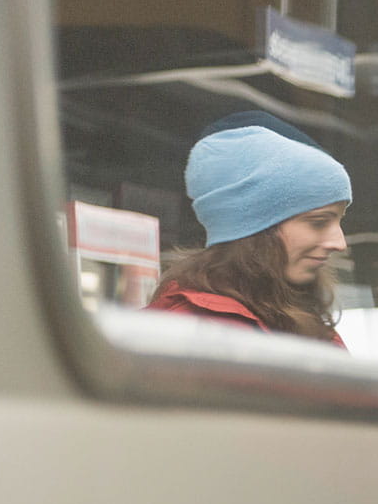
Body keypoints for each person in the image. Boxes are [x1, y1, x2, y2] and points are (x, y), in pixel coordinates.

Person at [147, 114, 352, 344]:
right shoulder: (175, 335)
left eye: (339, 221)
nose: (339, 243)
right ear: (255, 229)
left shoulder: (313, 330)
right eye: (318, 222)